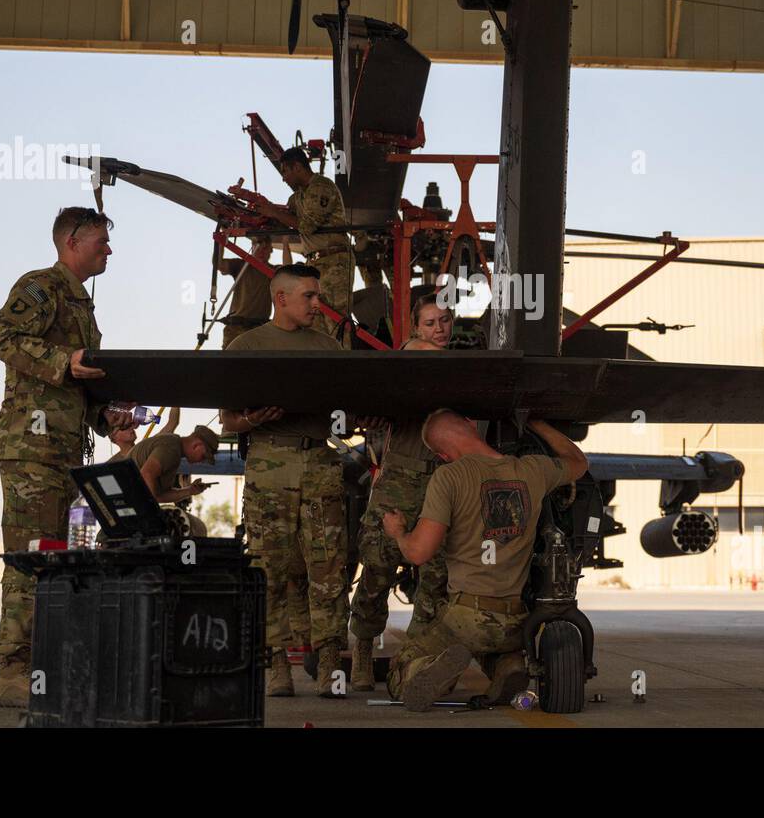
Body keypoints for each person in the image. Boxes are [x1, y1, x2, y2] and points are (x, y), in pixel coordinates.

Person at [0, 206, 137, 707]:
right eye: (102, 241)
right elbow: (4, 341)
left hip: (61, 451)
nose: (109, 250)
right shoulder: (42, 287)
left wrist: (108, 419)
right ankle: (13, 671)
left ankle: (38, 666)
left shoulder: (80, 306)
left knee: (51, 555)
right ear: (72, 242)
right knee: (30, 557)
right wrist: (63, 361)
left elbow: (78, 387)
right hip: (31, 449)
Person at [382, 411, 588, 711]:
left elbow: (418, 552)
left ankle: (424, 670)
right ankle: (508, 664)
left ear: (442, 454)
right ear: (470, 425)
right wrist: (538, 423)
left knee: (400, 669)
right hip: (516, 620)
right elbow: (579, 462)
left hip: (467, 616)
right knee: (490, 648)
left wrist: (398, 532)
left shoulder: (449, 476)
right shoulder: (533, 469)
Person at [220, 263, 350, 698]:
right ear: (281, 299)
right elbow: (228, 422)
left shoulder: (330, 348)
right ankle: (276, 664)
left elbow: (341, 419)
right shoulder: (246, 346)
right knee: (268, 568)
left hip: (318, 463)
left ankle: (331, 662)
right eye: (310, 296)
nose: (318, 303)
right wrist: (251, 419)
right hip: (268, 467)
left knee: (328, 567)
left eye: (318, 296)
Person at [347, 295, 456, 690]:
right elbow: (411, 350)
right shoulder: (411, 357)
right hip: (399, 479)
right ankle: (362, 648)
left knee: (435, 575)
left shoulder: (464, 370)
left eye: (445, 321)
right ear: (415, 329)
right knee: (378, 564)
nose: (439, 329)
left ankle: (414, 658)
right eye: (429, 323)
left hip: (443, 483)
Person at [278, 148, 352, 336]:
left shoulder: (321, 187)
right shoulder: (300, 196)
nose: (283, 178)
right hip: (315, 264)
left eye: (285, 171)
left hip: (334, 261)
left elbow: (307, 226)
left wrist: (271, 212)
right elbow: (287, 214)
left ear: (297, 167)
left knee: (337, 323)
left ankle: (345, 364)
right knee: (315, 325)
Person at [128, 425, 219, 538]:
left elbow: (158, 496)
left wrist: (189, 491)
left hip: (128, 505)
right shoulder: (171, 449)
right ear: (197, 445)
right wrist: (153, 517)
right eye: (204, 456)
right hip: (126, 508)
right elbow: (147, 474)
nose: (202, 461)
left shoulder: (173, 447)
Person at [219, 236, 275, 349]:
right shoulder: (242, 265)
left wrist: (285, 242)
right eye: (257, 247)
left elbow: (290, 272)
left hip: (260, 327)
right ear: (252, 247)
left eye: (265, 248)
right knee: (229, 363)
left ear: (271, 250)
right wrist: (221, 242)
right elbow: (219, 264)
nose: (261, 251)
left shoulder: (273, 271)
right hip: (236, 326)